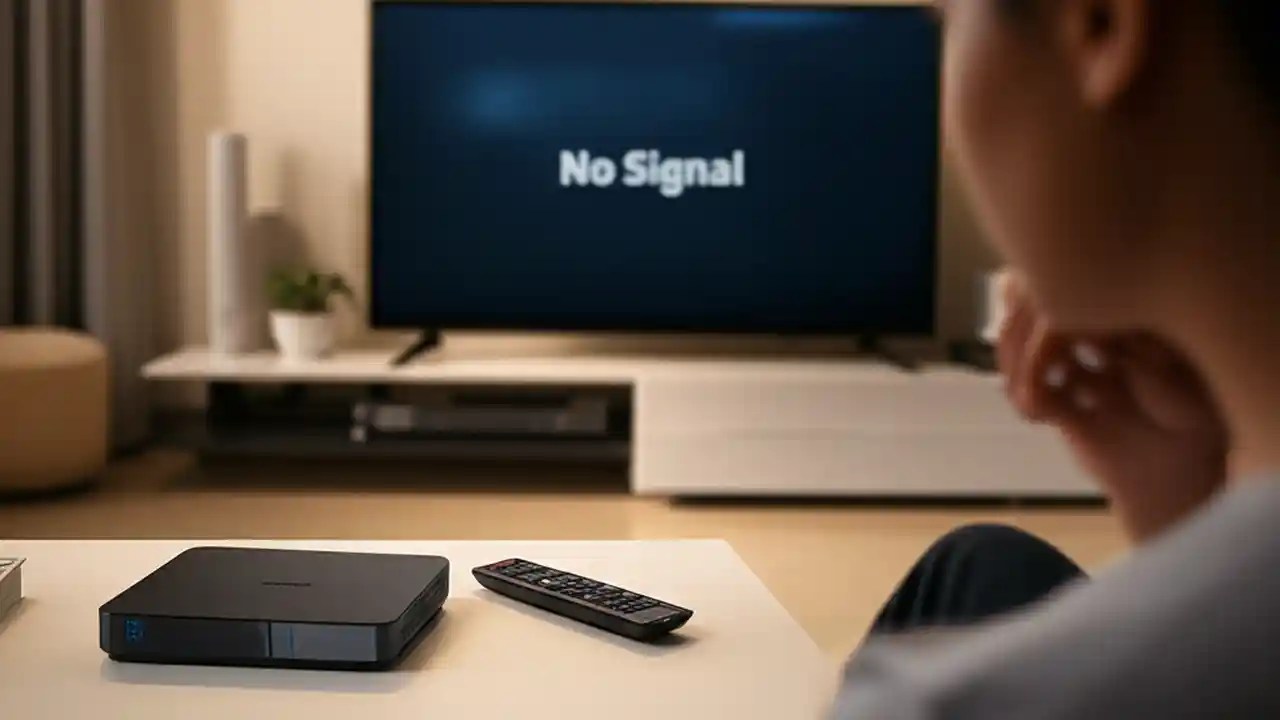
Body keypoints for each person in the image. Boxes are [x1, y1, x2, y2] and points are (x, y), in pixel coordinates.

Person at [832, 0, 1280, 717]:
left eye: (949, 22)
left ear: (1101, 23)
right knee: (979, 558)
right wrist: (1187, 511)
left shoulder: (945, 703)